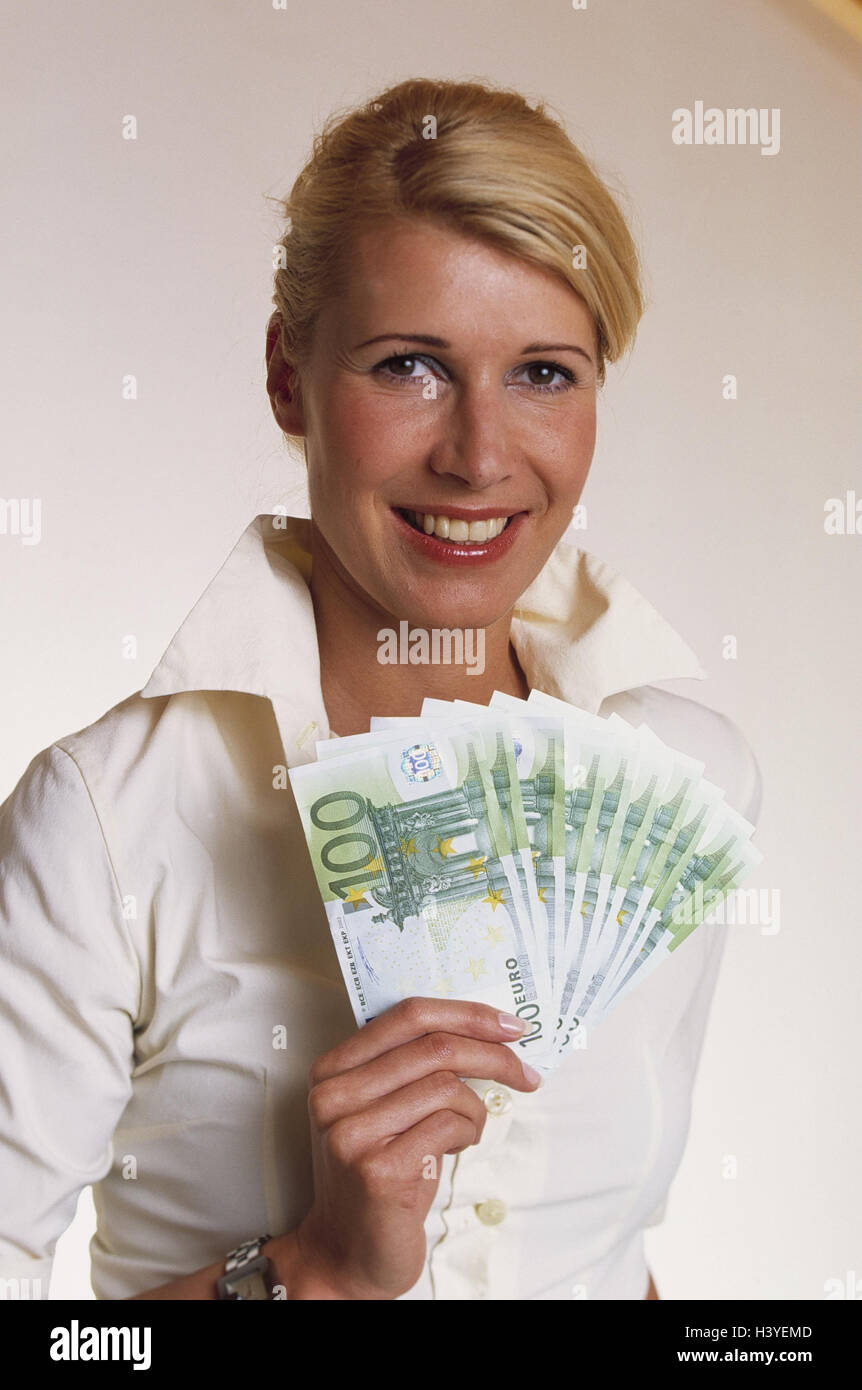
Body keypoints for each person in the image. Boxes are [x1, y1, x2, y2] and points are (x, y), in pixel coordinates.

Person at [0, 77, 760, 1302]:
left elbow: (609, 1254)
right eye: (409, 365)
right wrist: (306, 1276)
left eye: (545, 373)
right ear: (287, 377)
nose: (477, 455)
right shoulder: (103, 818)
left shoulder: (687, 778)